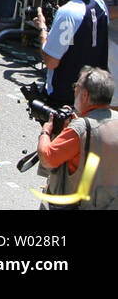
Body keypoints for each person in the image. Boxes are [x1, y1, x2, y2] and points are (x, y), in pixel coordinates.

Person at [37, 66, 118, 209]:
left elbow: (47, 158)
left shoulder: (81, 128)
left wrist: (45, 132)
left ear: (85, 95)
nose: (74, 90)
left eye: (77, 86)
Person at [35, 0, 109, 109]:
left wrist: (43, 29)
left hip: (66, 99)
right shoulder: (100, 5)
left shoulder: (68, 12)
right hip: (95, 97)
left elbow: (51, 61)